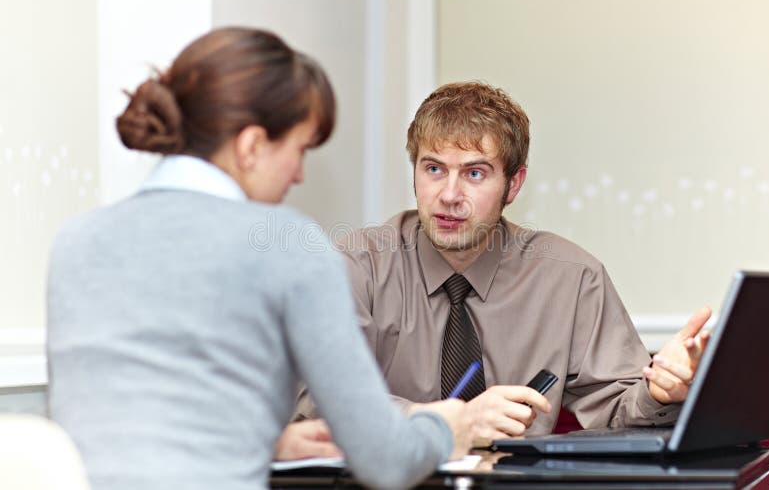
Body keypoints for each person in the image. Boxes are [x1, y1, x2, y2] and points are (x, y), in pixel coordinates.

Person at [47, 27, 471, 490]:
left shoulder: (77, 241)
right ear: (251, 146)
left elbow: (138, 427)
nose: (299, 173)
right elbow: (386, 461)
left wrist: (267, 444)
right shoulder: (285, 243)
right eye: (299, 149)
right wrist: (445, 428)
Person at [295, 81, 711, 446]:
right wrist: (448, 421)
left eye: (474, 174)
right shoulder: (358, 266)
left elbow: (619, 411)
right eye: (434, 169)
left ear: (514, 184)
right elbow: (316, 399)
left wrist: (661, 392)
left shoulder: (571, 278)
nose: (448, 195)